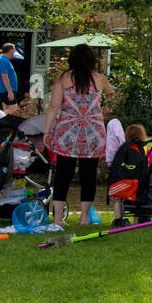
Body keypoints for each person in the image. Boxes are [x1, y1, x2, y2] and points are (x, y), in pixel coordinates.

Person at [42, 44, 115, 226]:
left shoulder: (64, 78)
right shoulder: (99, 78)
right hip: (93, 133)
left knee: (63, 175)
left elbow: (54, 106)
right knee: (88, 175)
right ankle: (84, 218)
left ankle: (58, 218)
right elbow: (112, 93)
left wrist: (47, 130)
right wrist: (104, 106)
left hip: (68, 132)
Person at [0, 42, 19, 109]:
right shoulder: (2, 60)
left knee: (6, 108)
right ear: (11, 50)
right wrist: (10, 91)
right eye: (14, 50)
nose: (14, 52)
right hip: (5, 90)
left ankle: (1, 119)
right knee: (14, 108)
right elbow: (4, 77)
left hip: (5, 90)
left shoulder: (3, 59)